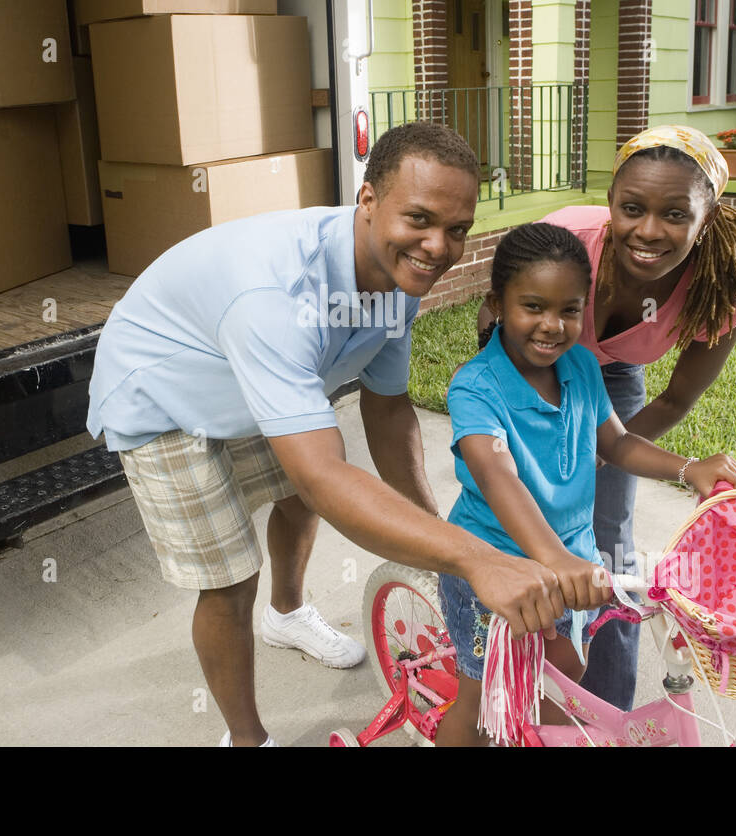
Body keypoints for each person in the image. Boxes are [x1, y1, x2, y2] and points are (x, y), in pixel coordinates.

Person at [87, 122, 571, 747]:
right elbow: (325, 473)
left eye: (457, 229)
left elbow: (389, 410)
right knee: (231, 576)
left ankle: (287, 616)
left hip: (246, 376)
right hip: (163, 394)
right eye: (420, 219)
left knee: (299, 495)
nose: (438, 246)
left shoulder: (397, 278)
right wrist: (472, 556)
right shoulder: (275, 294)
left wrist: (441, 541)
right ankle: (245, 738)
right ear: (367, 200)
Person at [476, 124, 736, 711]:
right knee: (516, 515)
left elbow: (675, 402)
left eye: (676, 214)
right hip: (529, 364)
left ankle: (604, 709)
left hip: (613, 379)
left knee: (609, 553)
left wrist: (607, 452)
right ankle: (496, 665)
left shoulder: (717, 288)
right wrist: (516, 405)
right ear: (610, 205)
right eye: (632, 208)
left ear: (708, 217)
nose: (649, 231)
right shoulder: (567, 241)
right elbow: (497, 318)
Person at [437, 222, 736, 747]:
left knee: (567, 674)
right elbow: (498, 476)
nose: (552, 325)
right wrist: (556, 559)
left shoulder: (579, 364)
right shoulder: (476, 387)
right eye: (533, 307)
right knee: (480, 700)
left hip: (572, 560)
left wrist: (687, 467)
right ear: (497, 302)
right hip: (494, 565)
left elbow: (617, 444)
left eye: (569, 309)